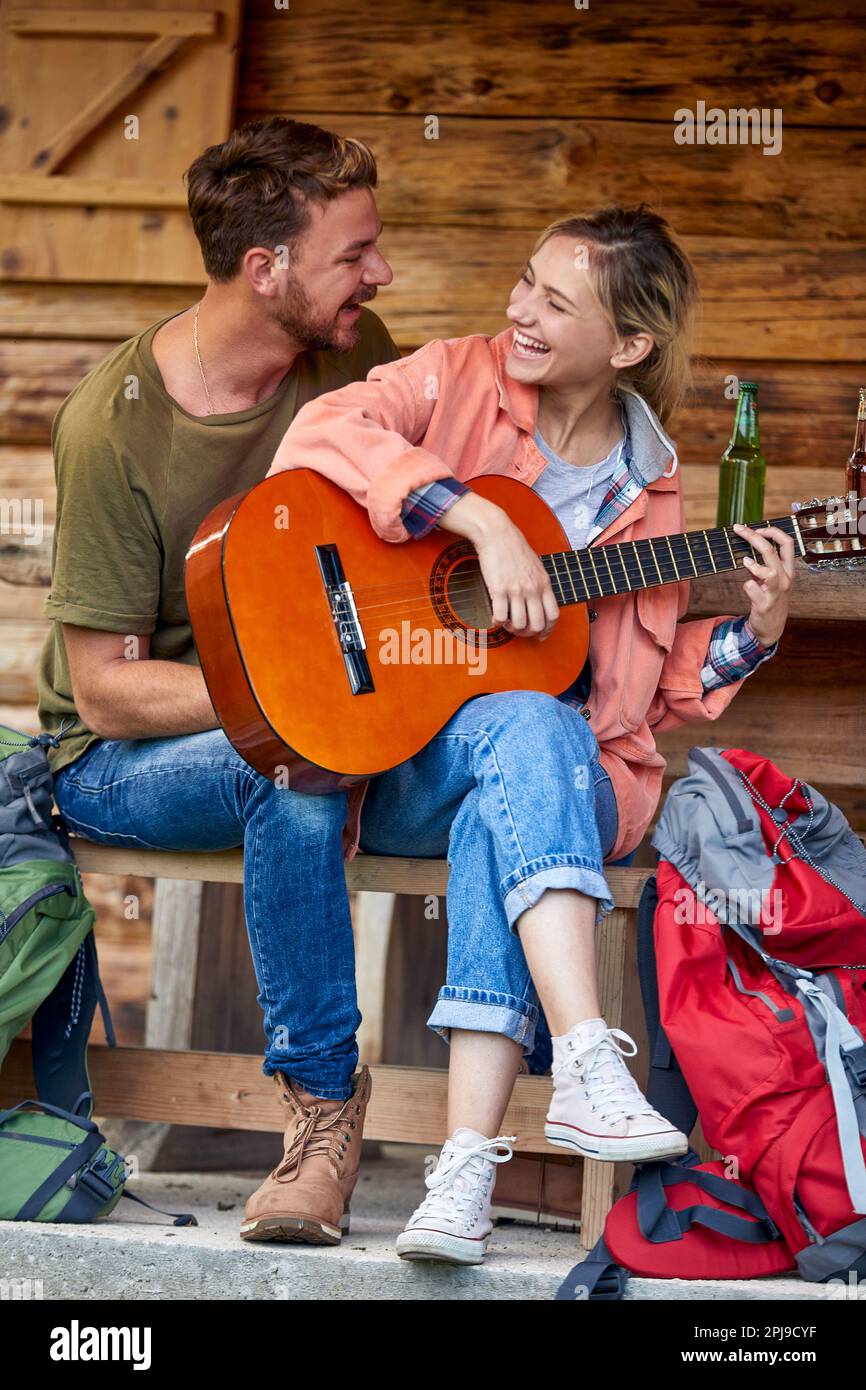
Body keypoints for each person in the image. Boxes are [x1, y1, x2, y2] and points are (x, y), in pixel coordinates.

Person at [265, 205, 795, 1263]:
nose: (519, 310)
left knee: (526, 739)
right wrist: (478, 517)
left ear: (628, 345)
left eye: (555, 301)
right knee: (515, 738)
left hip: (584, 775)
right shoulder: (452, 378)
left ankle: (462, 1180)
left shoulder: (649, 484)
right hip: (413, 758)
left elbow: (640, 690)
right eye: (523, 282)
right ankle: (582, 1057)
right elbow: (318, 433)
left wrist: (747, 635)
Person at [37, 117, 400, 1245]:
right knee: (287, 758)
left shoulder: (355, 350)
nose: (378, 275)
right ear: (265, 268)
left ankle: (515, 1126)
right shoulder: (111, 428)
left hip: (317, 727)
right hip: (114, 762)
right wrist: (290, 694)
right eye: (354, 254)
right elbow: (102, 693)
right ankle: (324, 1112)